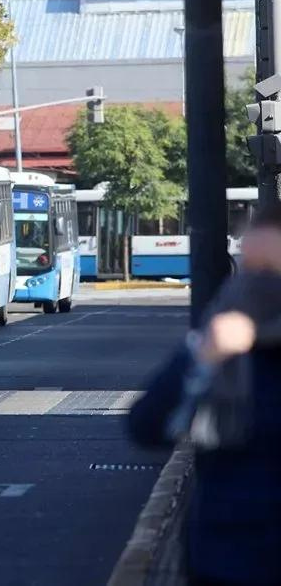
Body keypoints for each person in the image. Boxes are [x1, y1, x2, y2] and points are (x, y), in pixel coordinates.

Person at [128, 208, 281, 586]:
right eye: (251, 269)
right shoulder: (222, 336)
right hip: (225, 560)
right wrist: (203, 360)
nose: (258, 285)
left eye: (272, 272)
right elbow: (146, 426)